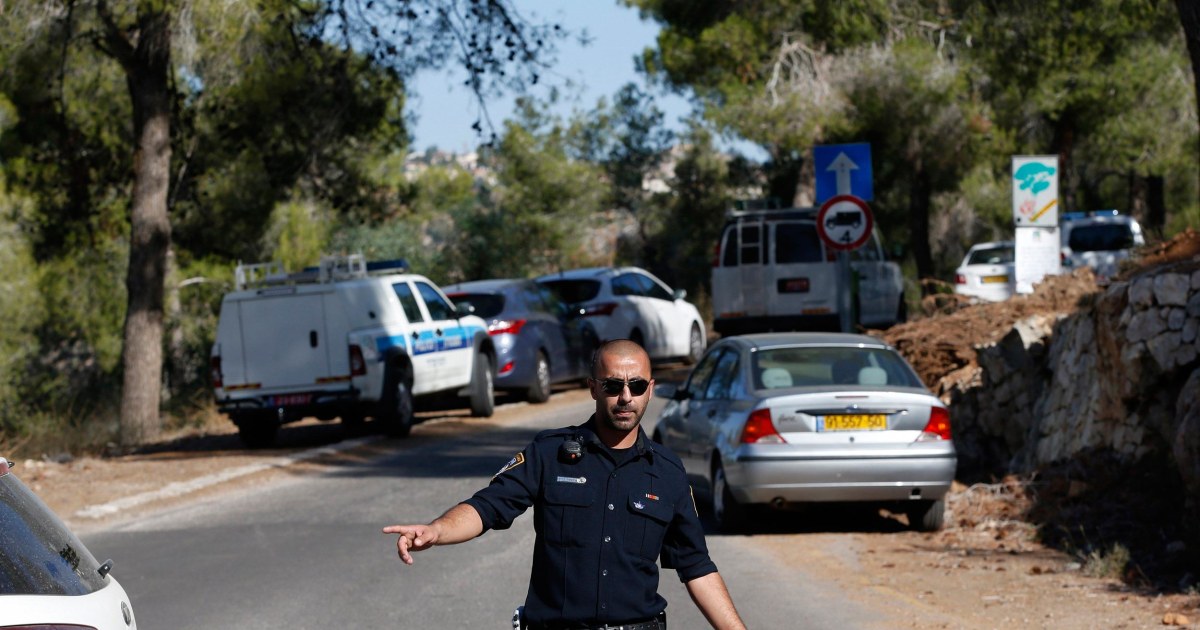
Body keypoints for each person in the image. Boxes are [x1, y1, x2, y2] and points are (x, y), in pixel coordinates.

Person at [383, 339, 746, 630]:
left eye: (636, 386)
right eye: (612, 385)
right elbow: (488, 507)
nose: (625, 397)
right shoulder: (548, 452)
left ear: (650, 389)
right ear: (592, 388)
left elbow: (696, 566)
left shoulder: (667, 472)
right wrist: (437, 530)